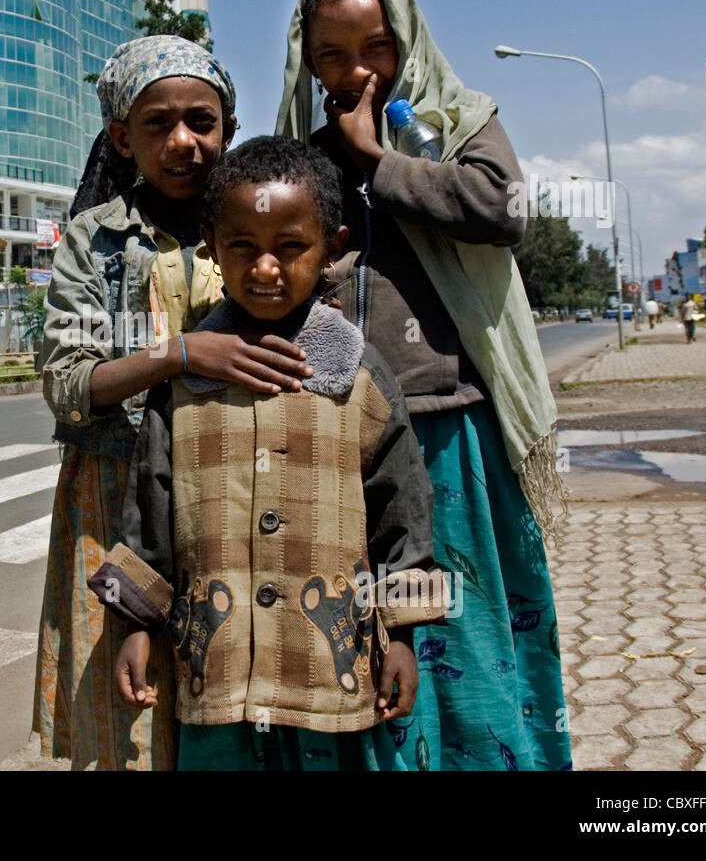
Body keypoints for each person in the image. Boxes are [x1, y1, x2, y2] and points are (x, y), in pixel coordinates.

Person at [275, 0, 571, 771]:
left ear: (407, 41)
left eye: (375, 47)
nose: (356, 71)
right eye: (330, 55)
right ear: (305, 61)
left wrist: (378, 163)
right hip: (340, 439)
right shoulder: (300, 157)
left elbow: (502, 209)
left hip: (450, 429)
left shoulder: (459, 120)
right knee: (357, 642)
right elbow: (281, 275)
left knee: (464, 638)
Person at [88, 137, 447, 770]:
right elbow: (150, 508)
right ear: (213, 249)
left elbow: (404, 514)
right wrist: (136, 625)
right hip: (214, 673)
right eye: (243, 247)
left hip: (326, 673)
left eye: (291, 247)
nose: (265, 269)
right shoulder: (184, 381)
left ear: (330, 249)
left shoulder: (359, 377)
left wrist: (405, 636)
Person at [33, 37, 315, 770]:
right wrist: (181, 354)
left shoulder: (261, 224)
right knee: (128, 721)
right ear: (122, 136)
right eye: (158, 124)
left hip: (238, 499)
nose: (183, 141)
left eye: (202, 120)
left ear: (228, 124)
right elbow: (68, 386)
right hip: (113, 494)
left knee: (232, 703)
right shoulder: (94, 242)